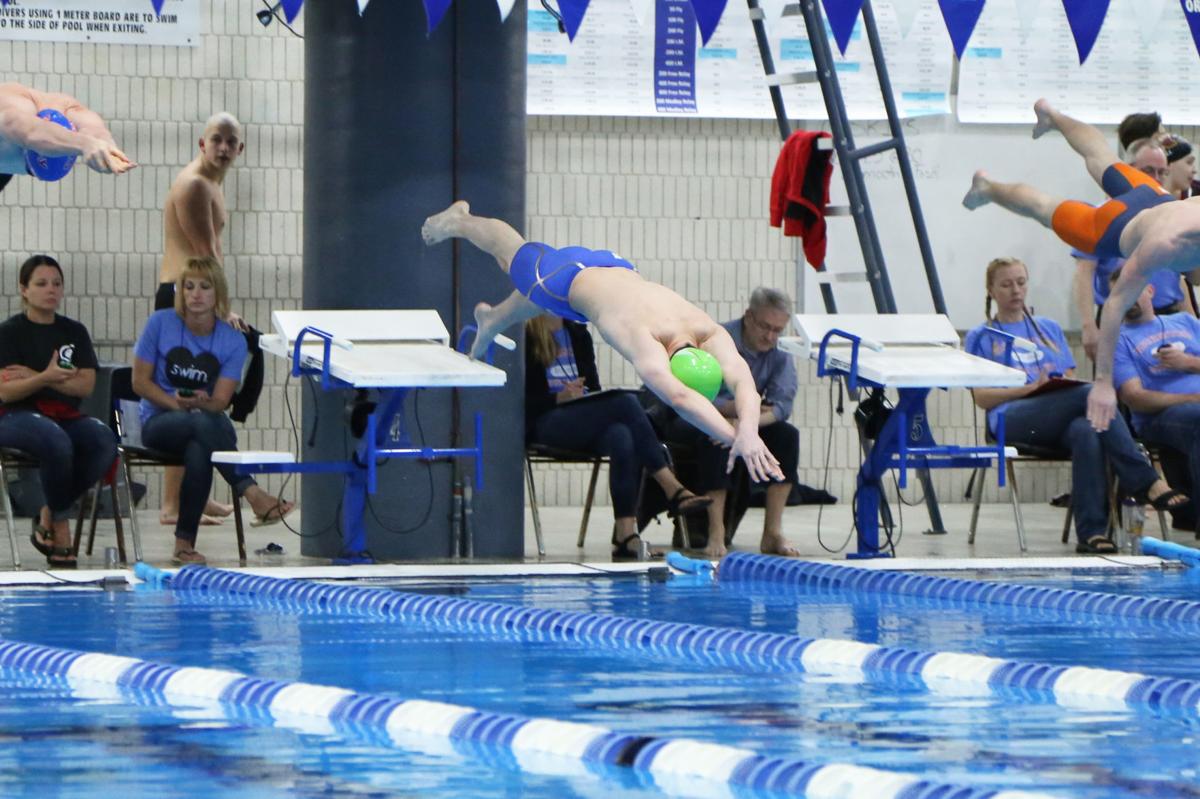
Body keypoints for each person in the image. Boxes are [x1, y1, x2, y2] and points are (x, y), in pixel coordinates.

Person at [421, 201, 784, 484]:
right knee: (510, 254)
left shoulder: (704, 329)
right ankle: (460, 220)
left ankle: (493, 319)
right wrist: (737, 436)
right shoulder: (643, 339)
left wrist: (747, 432)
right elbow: (680, 397)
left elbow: (743, 384)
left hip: (616, 266)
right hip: (563, 281)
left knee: (536, 299)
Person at [962, 98, 1200, 432]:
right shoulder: (1165, 245)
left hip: (1153, 195)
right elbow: (1116, 304)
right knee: (1045, 208)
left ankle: (1052, 114)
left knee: (1101, 157)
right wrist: (1103, 383)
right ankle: (987, 186)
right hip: (1113, 227)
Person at [964, 257, 1187, 554]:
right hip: (1011, 418)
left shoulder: (1049, 328)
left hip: (1056, 414)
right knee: (1091, 394)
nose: (1015, 290)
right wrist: (1031, 388)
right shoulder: (982, 336)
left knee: (1087, 428)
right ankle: (1145, 480)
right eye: (1006, 285)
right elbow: (981, 398)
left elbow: (1067, 378)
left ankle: (1092, 533)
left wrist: (1057, 386)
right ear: (991, 290)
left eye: (1021, 282)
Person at [132, 257, 293, 565]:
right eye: (189, 287)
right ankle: (254, 494)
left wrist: (199, 404)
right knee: (206, 427)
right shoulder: (160, 323)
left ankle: (184, 546)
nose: (195, 294)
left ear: (218, 293)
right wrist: (177, 404)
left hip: (203, 421)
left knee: (200, 448)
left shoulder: (231, 340)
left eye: (204, 287)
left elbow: (220, 402)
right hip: (158, 420)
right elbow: (140, 383)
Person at [525, 313, 711, 559]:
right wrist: (559, 398)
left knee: (622, 435)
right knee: (625, 403)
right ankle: (671, 487)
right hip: (546, 421)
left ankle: (625, 535)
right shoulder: (526, 336)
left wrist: (582, 394)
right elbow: (522, 400)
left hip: (578, 417)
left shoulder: (578, 335)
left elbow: (595, 389)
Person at [157, 112, 247, 528]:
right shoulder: (195, 185)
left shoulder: (211, 183)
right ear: (201, 143)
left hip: (192, 296)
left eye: (231, 142)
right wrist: (222, 308)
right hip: (184, 297)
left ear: (240, 148)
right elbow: (205, 253)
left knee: (198, 397)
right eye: (217, 140)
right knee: (187, 398)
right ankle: (172, 506)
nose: (224, 148)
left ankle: (195, 494)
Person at [663, 288, 801, 559]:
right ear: (748, 317)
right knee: (718, 438)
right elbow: (689, 394)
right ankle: (717, 531)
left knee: (787, 437)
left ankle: (772, 532)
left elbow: (782, 407)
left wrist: (746, 426)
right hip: (696, 417)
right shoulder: (718, 340)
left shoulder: (779, 352)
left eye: (777, 330)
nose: (770, 336)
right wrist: (731, 419)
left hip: (746, 421)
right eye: (765, 327)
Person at [0, 255, 118, 568]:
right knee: (56, 441)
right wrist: (48, 377)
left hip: (63, 415)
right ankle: (62, 528)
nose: (50, 290)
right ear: (24, 289)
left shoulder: (73, 332)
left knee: (104, 440)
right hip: (14, 416)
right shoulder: (8, 333)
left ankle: (49, 512)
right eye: (41, 284)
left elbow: (86, 385)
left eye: (56, 283)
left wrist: (33, 376)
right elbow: (6, 390)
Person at [1071, 139, 1195, 362]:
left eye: (1161, 172)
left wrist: (1190, 317)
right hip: (1123, 315)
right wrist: (1088, 325)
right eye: (1148, 170)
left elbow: (1179, 276)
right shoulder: (1103, 216)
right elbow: (1084, 272)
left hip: (1169, 317)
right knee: (1125, 391)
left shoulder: (1173, 214)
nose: (1155, 179)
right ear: (1128, 172)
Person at [1113, 271, 1200, 536]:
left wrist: (1189, 363)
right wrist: (1192, 398)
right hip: (1159, 417)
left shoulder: (1186, 321)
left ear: (1150, 290)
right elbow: (1135, 398)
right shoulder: (1118, 340)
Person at [0, 82, 134, 188]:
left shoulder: (70, 109)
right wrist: (84, 144)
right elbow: (31, 132)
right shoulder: (11, 110)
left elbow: (96, 131)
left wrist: (106, 148)